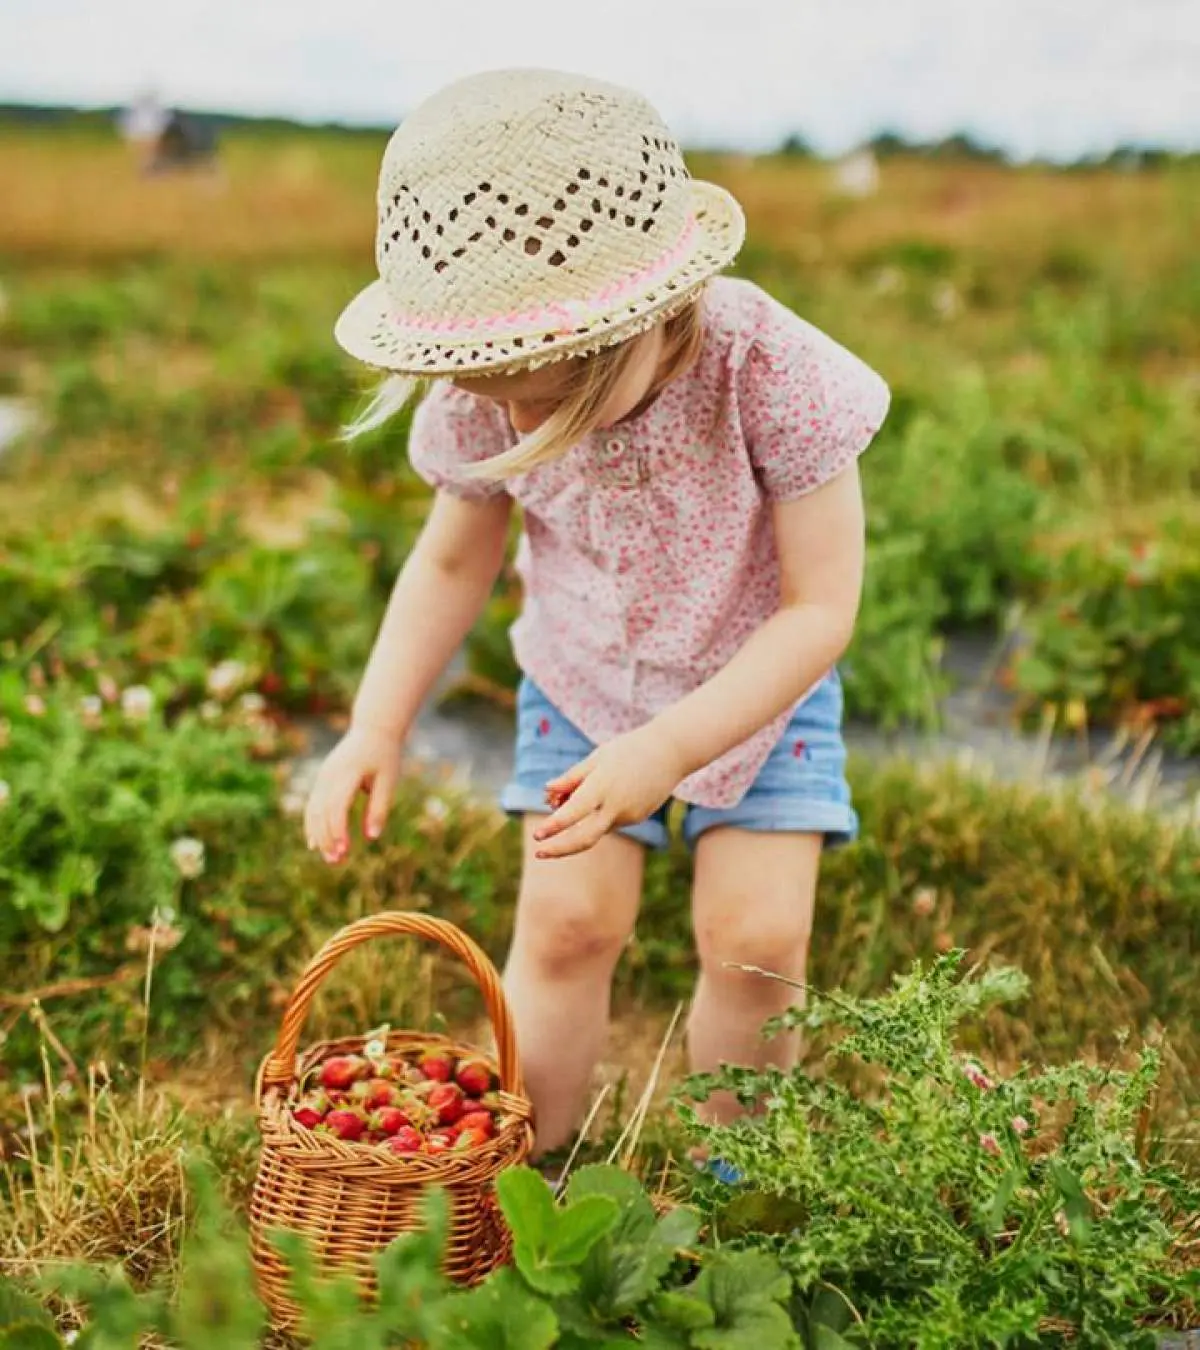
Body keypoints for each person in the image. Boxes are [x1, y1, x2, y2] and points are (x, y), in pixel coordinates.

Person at [305, 68, 890, 1154]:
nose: (513, 416)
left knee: (755, 940)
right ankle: (530, 1161)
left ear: (651, 315)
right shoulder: (490, 383)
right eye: (490, 392)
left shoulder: (771, 371)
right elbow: (448, 565)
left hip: (760, 683)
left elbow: (821, 611)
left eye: (542, 393)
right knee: (569, 925)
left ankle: (739, 1179)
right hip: (580, 682)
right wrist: (375, 726)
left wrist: (668, 747)